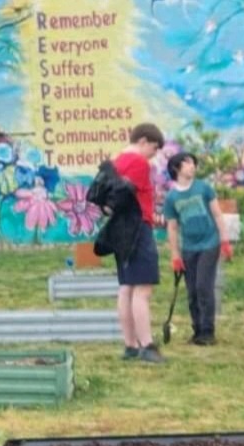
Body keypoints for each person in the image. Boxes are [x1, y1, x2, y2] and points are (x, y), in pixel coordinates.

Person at [164, 152, 233, 346]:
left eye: (193, 163)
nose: (192, 166)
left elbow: (218, 215)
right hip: (188, 247)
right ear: (177, 168)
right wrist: (175, 254)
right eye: (187, 163)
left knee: (204, 287)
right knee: (192, 290)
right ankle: (197, 331)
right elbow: (172, 226)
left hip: (210, 243)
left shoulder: (203, 188)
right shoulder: (172, 197)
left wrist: (225, 240)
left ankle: (208, 332)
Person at [113, 123, 166, 363]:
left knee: (127, 287)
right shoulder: (138, 163)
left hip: (120, 228)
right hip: (137, 228)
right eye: (153, 149)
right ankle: (147, 345)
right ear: (143, 141)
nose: (153, 155)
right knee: (142, 289)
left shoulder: (116, 162)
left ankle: (130, 345)